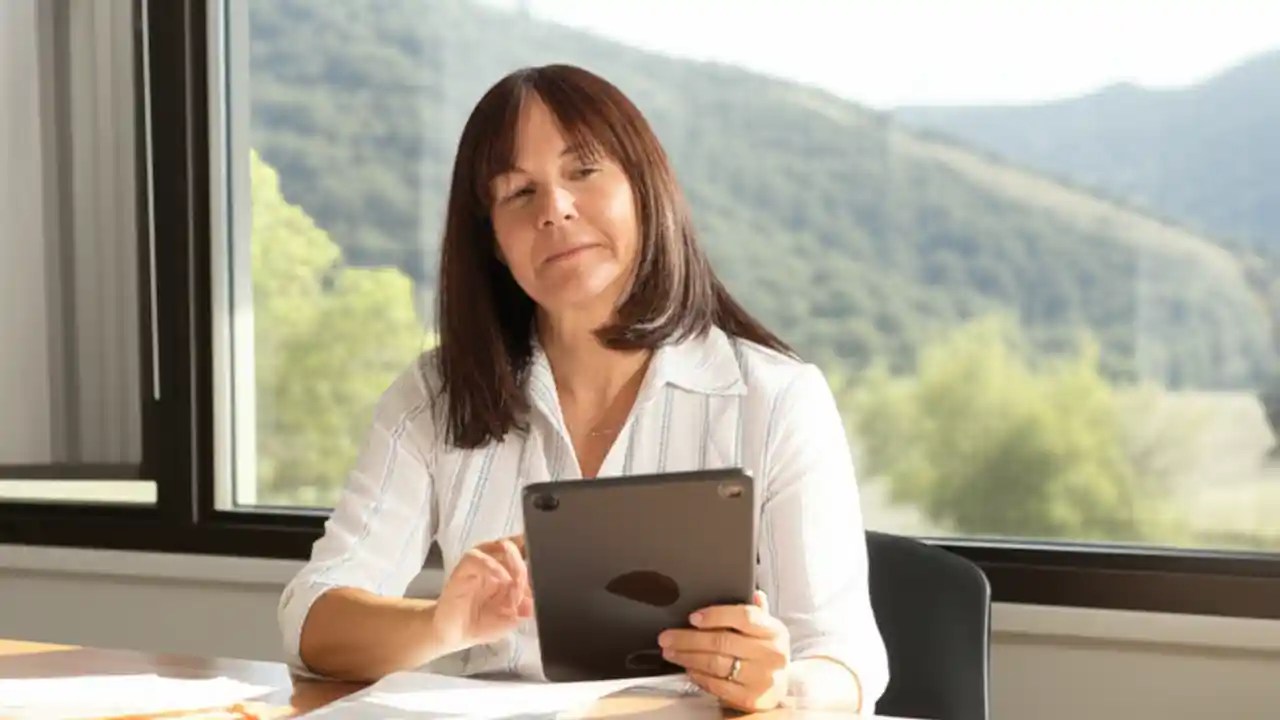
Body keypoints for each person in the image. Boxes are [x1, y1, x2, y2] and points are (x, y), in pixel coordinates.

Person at [278, 63, 888, 714]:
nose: (555, 210)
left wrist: (779, 683)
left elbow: (847, 659)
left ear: (643, 189)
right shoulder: (435, 398)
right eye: (518, 193)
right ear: (492, 242)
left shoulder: (776, 398)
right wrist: (439, 626)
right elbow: (309, 620)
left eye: (583, 172)